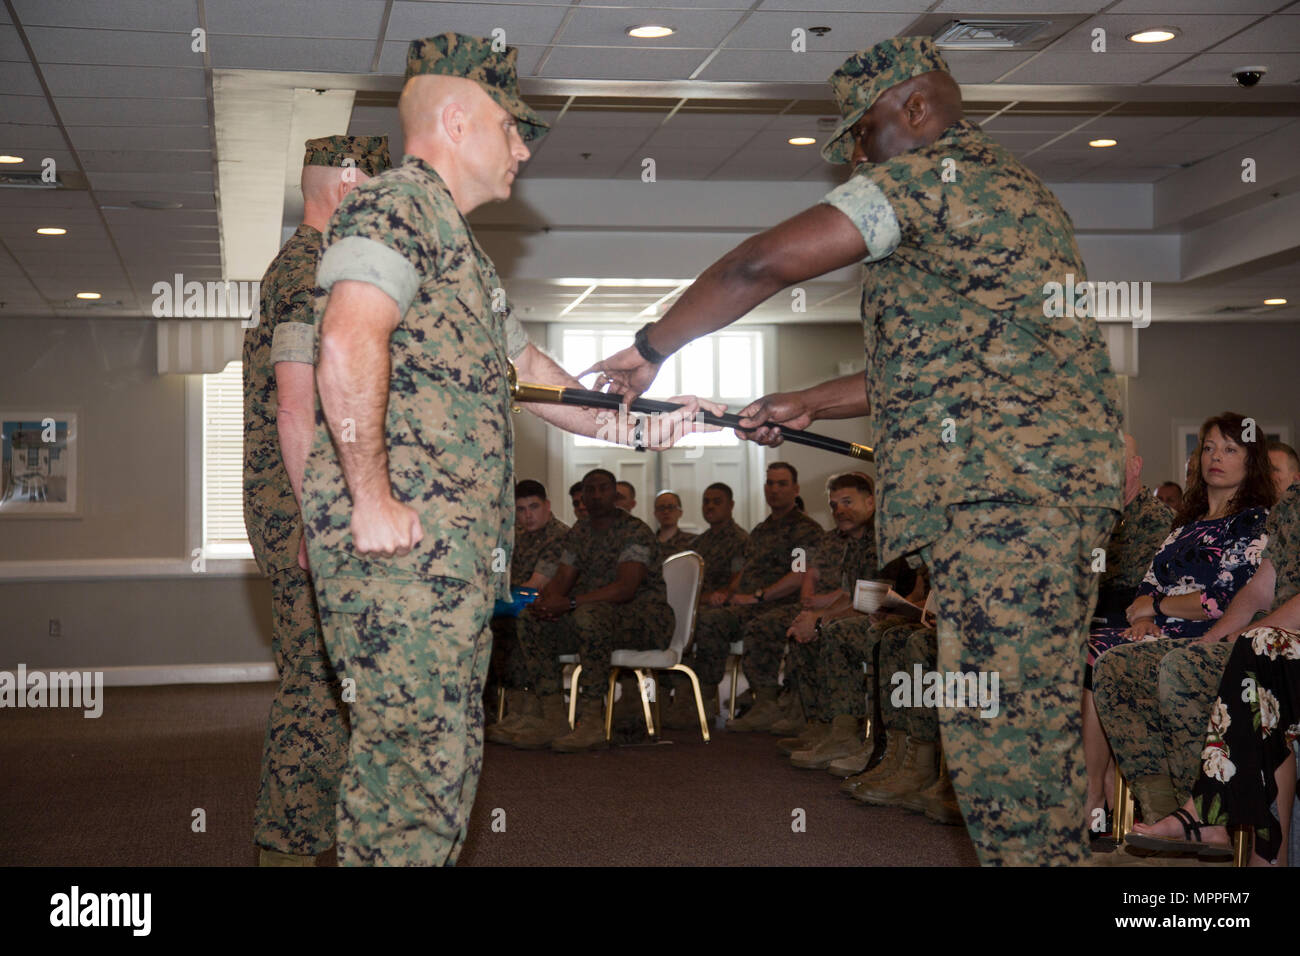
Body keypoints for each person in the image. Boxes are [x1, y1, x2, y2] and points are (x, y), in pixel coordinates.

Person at [588, 36, 1123, 865]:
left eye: (862, 133)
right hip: (1037, 499)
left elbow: (759, 263)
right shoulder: (1014, 192)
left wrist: (652, 345)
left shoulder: (932, 177)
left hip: (1008, 506)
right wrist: (804, 401)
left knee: (998, 742)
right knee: (1024, 726)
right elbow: (940, 372)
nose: (854, 154)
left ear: (915, 109)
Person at [301, 33, 706, 866]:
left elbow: (538, 379)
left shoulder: (460, 248)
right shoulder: (397, 205)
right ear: (455, 119)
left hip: (444, 560)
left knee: (441, 765)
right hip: (403, 554)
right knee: (409, 771)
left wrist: (645, 425)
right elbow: (346, 342)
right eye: (512, 128)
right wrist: (370, 499)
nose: (523, 148)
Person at [242, 133, 389, 867]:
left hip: (305, 508)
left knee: (327, 685)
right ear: (349, 187)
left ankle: (309, 842)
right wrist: (315, 519)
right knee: (315, 688)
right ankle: (292, 850)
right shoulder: (310, 270)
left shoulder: (302, 266)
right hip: (306, 511)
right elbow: (296, 411)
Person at [1089, 412, 1273, 829]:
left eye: (1230, 449)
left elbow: (1221, 600)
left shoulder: (1254, 522)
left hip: (1215, 639)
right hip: (1162, 634)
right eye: (1209, 448)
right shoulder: (1185, 525)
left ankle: (1204, 815)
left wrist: (1156, 609)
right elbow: (1147, 585)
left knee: (1168, 667)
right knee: (1110, 664)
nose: (1216, 457)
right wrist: (1145, 617)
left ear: (1252, 461)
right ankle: (1159, 811)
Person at [1127, 479, 1299, 864]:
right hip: (1277, 646)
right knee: (1172, 661)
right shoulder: (1294, 503)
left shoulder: (1254, 519)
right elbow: (1259, 589)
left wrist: (1245, 633)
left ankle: (1206, 813)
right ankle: (1176, 811)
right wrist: (1215, 637)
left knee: (1256, 650)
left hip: (1280, 641)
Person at [509, 469, 675, 752]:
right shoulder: (580, 532)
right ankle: (553, 717)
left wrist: (570, 603)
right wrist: (547, 604)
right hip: (595, 617)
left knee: (589, 616)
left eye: (604, 489)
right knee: (531, 619)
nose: (596, 496)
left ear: (615, 494)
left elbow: (625, 588)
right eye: (590, 490)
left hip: (645, 620)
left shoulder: (635, 531)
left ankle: (592, 721)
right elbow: (563, 579)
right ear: (582, 497)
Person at [687, 463, 823, 730]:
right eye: (770, 483)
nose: (774, 489)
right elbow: (747, 571)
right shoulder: (761, 530)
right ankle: (704, 696)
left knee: (763, 625)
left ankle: (766, 702)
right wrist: (734, 595)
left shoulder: (805, 530)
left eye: (782, 484)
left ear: (795, 489)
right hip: (752, 603)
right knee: (710, 620)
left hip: (786, 604)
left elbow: (799, 575)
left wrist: (759, 596)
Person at [486, 480, 568, 743]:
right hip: (514, 609)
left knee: (514, 624)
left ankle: (531, 711)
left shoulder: (560, 537)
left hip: (550, 613)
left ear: (547, 506)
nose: (527, 515)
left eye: (533, 507)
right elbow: (494, 576)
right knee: (483, 627)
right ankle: (512, 708)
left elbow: (534, 587)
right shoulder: (513, 537)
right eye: (520, 509)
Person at [1094, 434, 1174, 628]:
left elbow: (1139, 589)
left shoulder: (1158, 518)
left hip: (1131, 624)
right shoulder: (1098, 518)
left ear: (1136, 466)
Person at [653, 490, 695, 557]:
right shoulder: (648, 542)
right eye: (661, 508)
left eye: (671, 507)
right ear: (655, 513)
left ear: (680, 512)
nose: (666, 511)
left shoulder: (693, 541)